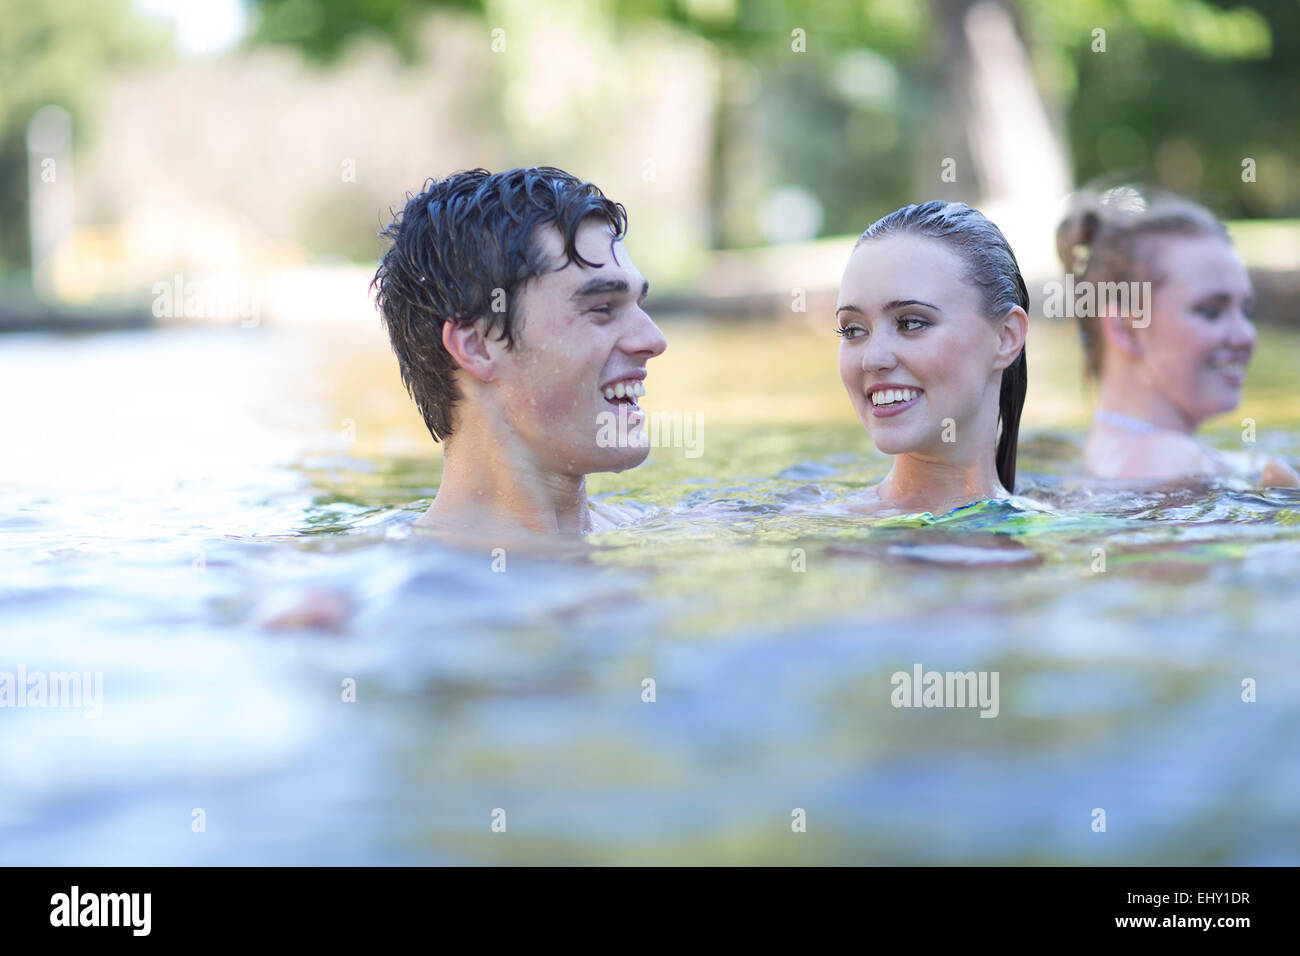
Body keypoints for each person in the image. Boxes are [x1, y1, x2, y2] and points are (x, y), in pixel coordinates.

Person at [371, 166, 668, 541]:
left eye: (638, 305)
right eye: (602, 308)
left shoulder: (688, 528)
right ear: (477, 345)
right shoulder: (388, 590)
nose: (654, 340)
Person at [1055, 185, 1300, 486]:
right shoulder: (1172, 460)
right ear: (1124, 328)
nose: (1246, 336)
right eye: (1210, 311)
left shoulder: (1098, 454)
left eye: (1246, 311)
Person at [835, 200, 1031, 517]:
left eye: (911, 323)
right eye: (853, 330)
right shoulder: (799, 531)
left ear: (1006, 337)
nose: (873, 359)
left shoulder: (1084, 534)